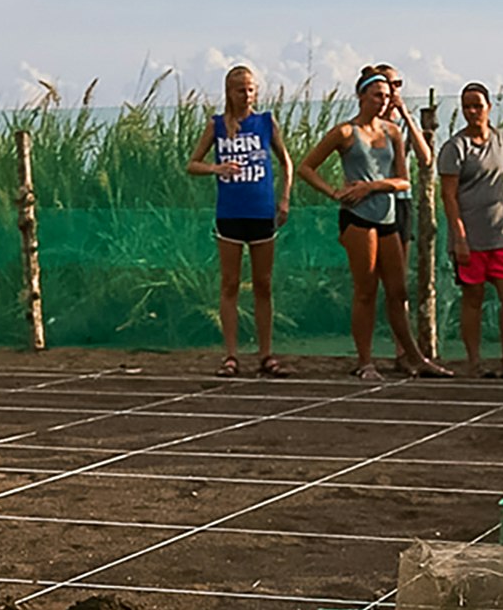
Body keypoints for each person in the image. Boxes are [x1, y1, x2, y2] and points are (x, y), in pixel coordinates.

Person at [297, 68, 449, 380]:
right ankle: (365, 362)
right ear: (361, 96)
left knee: (398, 291)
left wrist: (373, 187)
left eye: (386, 95)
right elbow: (307, 167)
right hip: (357, 219)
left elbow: (404, 182)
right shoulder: (344, 133)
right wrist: (334, 192)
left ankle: (415, 357)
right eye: (376, 95)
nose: (383, 101)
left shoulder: (392, 132)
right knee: (365, 291)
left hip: (388, 215)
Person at [185, 63, 291, 376]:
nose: (246, 95)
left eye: (250, 89)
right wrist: (216, 168)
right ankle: (230, 355)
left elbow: (287, 162)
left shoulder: (266, 122)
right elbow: (192, 163)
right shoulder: (216, 125)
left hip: (262, 211)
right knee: (230, 283)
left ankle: (266, 354)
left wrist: (284, 199)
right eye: (240, 89)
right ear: (229, 92)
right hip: (230, 213)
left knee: (263, 284)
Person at [438, 82, 503, 377]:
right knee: (473, 297)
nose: (473, 111)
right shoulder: (455, 148)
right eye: (467, 106)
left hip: (502, 234)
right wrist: (460, 236)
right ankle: (475, 362)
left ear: (489, 107)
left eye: (478, 105)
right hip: (470, 237)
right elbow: (448, 195)